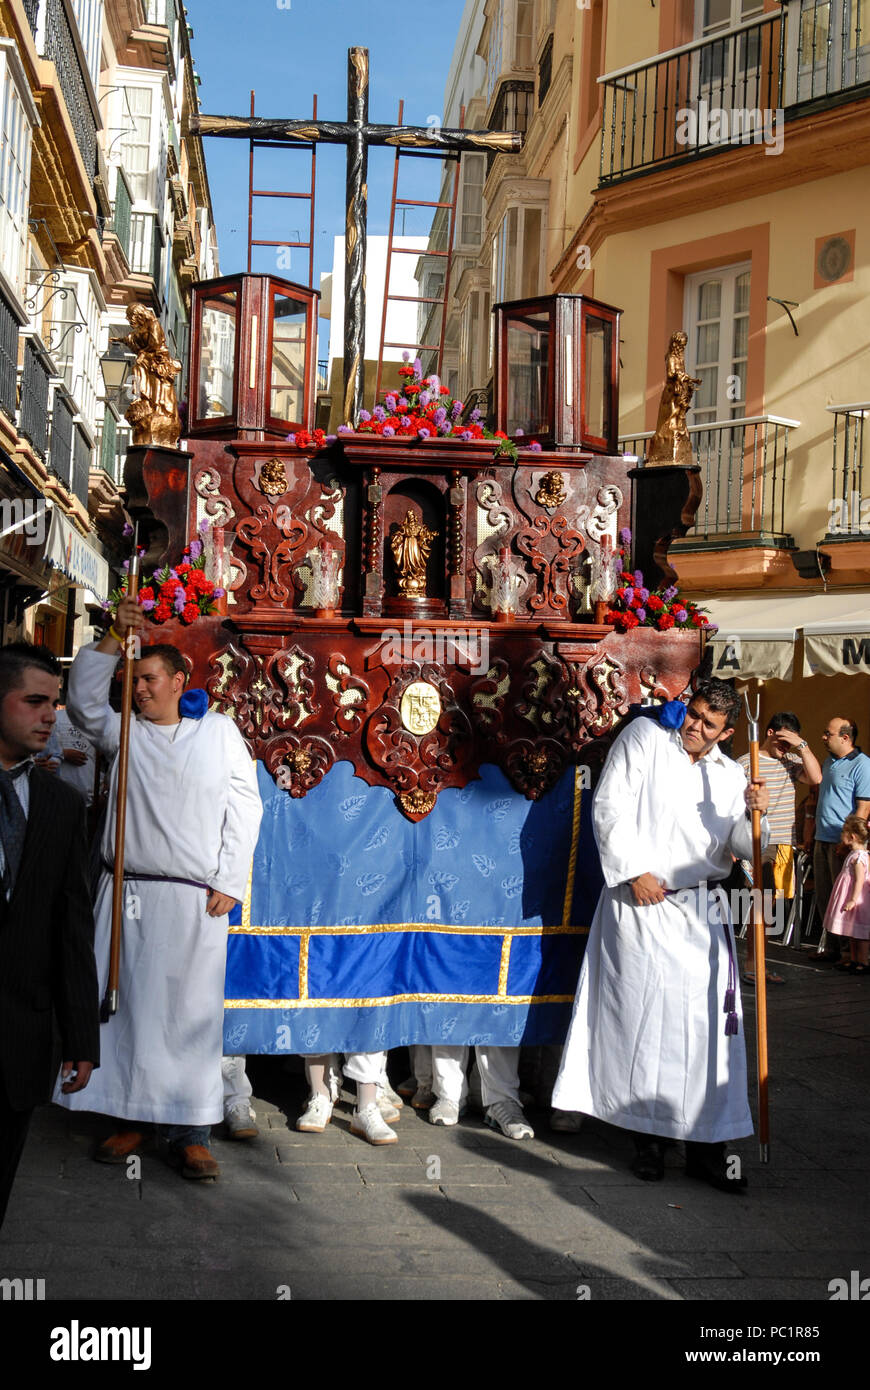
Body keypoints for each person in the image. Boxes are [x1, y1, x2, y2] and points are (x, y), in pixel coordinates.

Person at [55, 598, 263, 1181]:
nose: (139, 688)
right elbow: (82, 700)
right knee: (127, 1011)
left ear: (178, 680)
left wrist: (228, 876)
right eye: (133, 679)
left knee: (189, 1016)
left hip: (196, 898)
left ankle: (191, 1130)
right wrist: (109, 642)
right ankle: (130, 1117)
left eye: (148, 678)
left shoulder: (218, 732)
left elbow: (244, 808)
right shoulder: (122, 731)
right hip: (127, 892)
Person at [552, 678, 769, 1192]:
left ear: (727, 731)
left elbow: (739, 844)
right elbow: (610, 807)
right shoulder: (645, 739)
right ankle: (647, 1139)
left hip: (701, 911)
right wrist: (633, 871)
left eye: (708, 724)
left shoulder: (732, 773)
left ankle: (706, 1146)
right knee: (643, 1024)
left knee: (709, 1031)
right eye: (692, 714)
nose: (694, 727)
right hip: (642, 902)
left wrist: (755, 813)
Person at [0, 643, 99, 1229]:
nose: (49, 716)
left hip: (18, 1044)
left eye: (54, 704)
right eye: (34, 702)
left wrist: (80, 1036)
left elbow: (72, 927)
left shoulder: (61, 805)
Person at [737, 712, 821, 984]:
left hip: (784, 843)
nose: (785, 748)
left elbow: (816, 778)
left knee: (771, 909)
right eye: (782, 740)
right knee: (759, 906)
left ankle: (758, 965)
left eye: (790, 743)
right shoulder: (746, 764)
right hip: (759, 842)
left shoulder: (791, 761)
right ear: (770, 733)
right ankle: (752, 967)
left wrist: (801, 744)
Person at [806, 717, 870, 961]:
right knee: (826, 897)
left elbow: (863, 808)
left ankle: (848, 953)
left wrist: (850, 843)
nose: (824, 737)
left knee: (845, 897)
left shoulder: (863, 765)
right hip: (822, 839)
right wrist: (812, 835)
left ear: (845, 737)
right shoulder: (829, 762)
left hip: (842, 843)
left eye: (828, 733)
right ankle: (831, 947)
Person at [821, 814, 870, 975]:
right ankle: (855, 959)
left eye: (843, 832)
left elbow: (859, 880)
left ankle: (863, 961)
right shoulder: (853, 854)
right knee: (853, 931)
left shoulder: (859, 857)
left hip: (857, 898)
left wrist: (853, 899)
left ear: (852, 836)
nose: (841, 835)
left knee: (860, 934)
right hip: (851, 897)